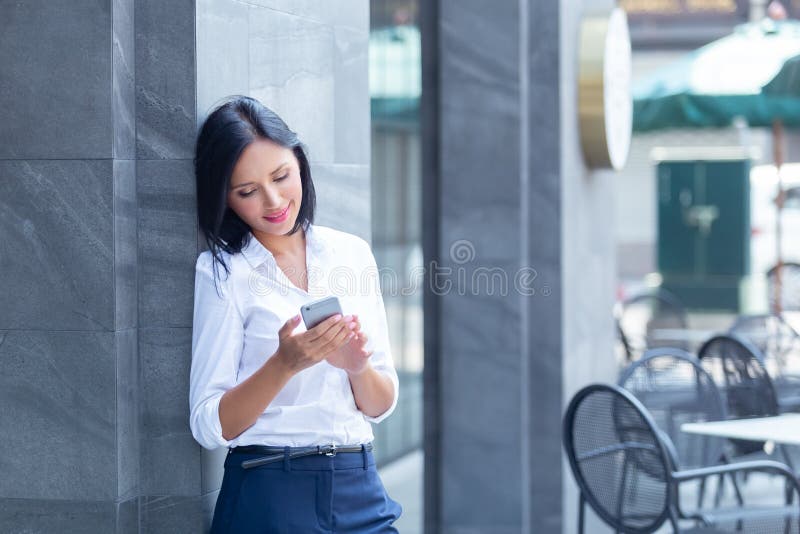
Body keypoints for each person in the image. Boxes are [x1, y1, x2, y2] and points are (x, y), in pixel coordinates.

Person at [190, 95, 403, 533]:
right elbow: (209, 424)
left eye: (281, 176)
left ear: (299, 162)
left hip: (358, 482)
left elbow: (380, 405)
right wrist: (284, 364)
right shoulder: (223, 271)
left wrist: (357, 367)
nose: (273, 201)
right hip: (269, 489)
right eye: (247, 192)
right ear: (226, 199)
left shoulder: (351, 253)